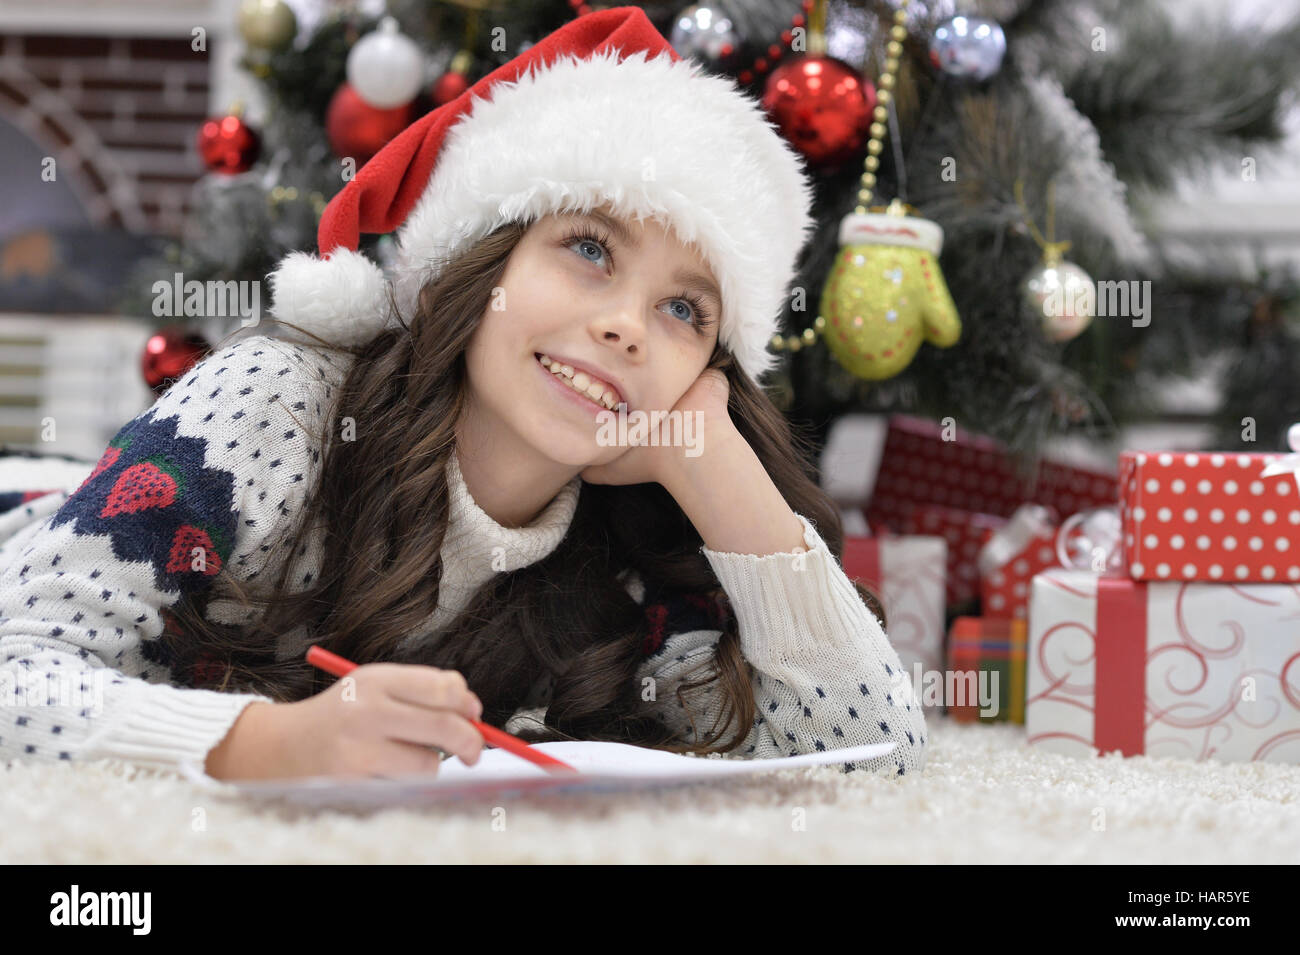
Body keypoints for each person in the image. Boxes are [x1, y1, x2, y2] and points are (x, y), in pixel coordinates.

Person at [0, 7, 925, 782]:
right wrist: (273, 744)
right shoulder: (280, 401)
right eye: (589, 249)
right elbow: (18, 674)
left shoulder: (632, 547)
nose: (628, 327)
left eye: (685, 308)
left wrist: (718, 467)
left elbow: (873, 761)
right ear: (460, 274)